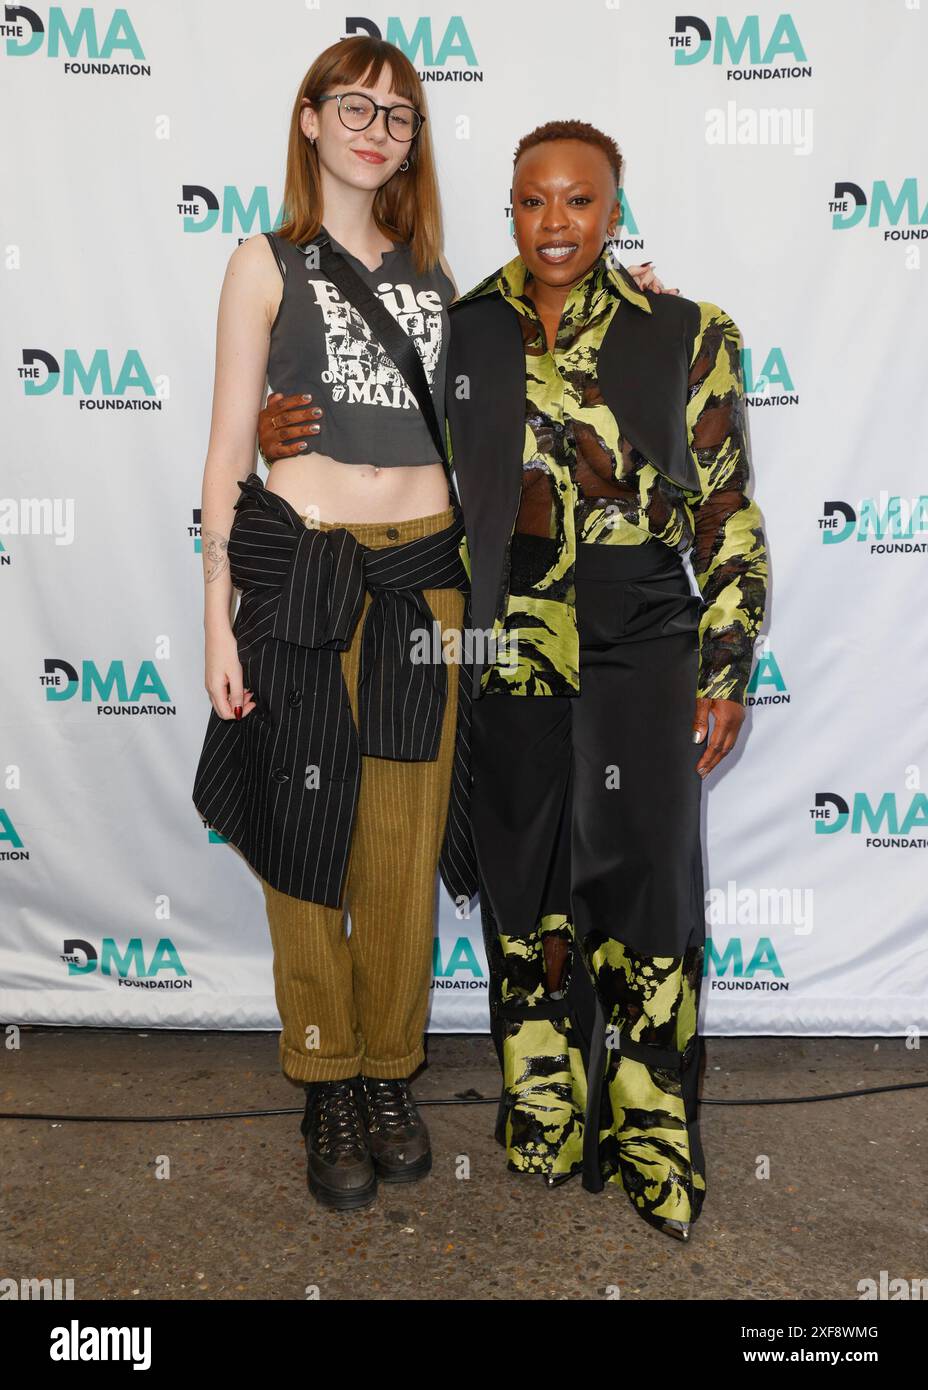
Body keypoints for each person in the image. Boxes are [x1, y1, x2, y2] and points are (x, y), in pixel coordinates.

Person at [445, 120, 769, 1242]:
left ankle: (650, 1129)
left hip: (642, 638)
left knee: (647, 895)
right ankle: (544, 1105)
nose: (554, 224)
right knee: (526, 887)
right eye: (532, 201)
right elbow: (400, 473)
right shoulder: (462, 329)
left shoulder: (685, 330)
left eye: (578, 202)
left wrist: (726, 663)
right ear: (512, 208)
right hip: (506, 642)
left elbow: (727, 510)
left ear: (613, 207)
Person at [191, 34, 475, 1211]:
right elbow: (221, 448)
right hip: (305, 576)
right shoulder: (262, 261)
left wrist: (645, 298)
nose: (377, 127)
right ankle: (323, 1074)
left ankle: (387, 1070)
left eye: (399, 114)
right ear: (309, 121)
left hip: (426, 580)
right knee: (309, 840)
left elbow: (533, 379)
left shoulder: (445, 282)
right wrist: (215, 615)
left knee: (402, 842)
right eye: (353, 106)